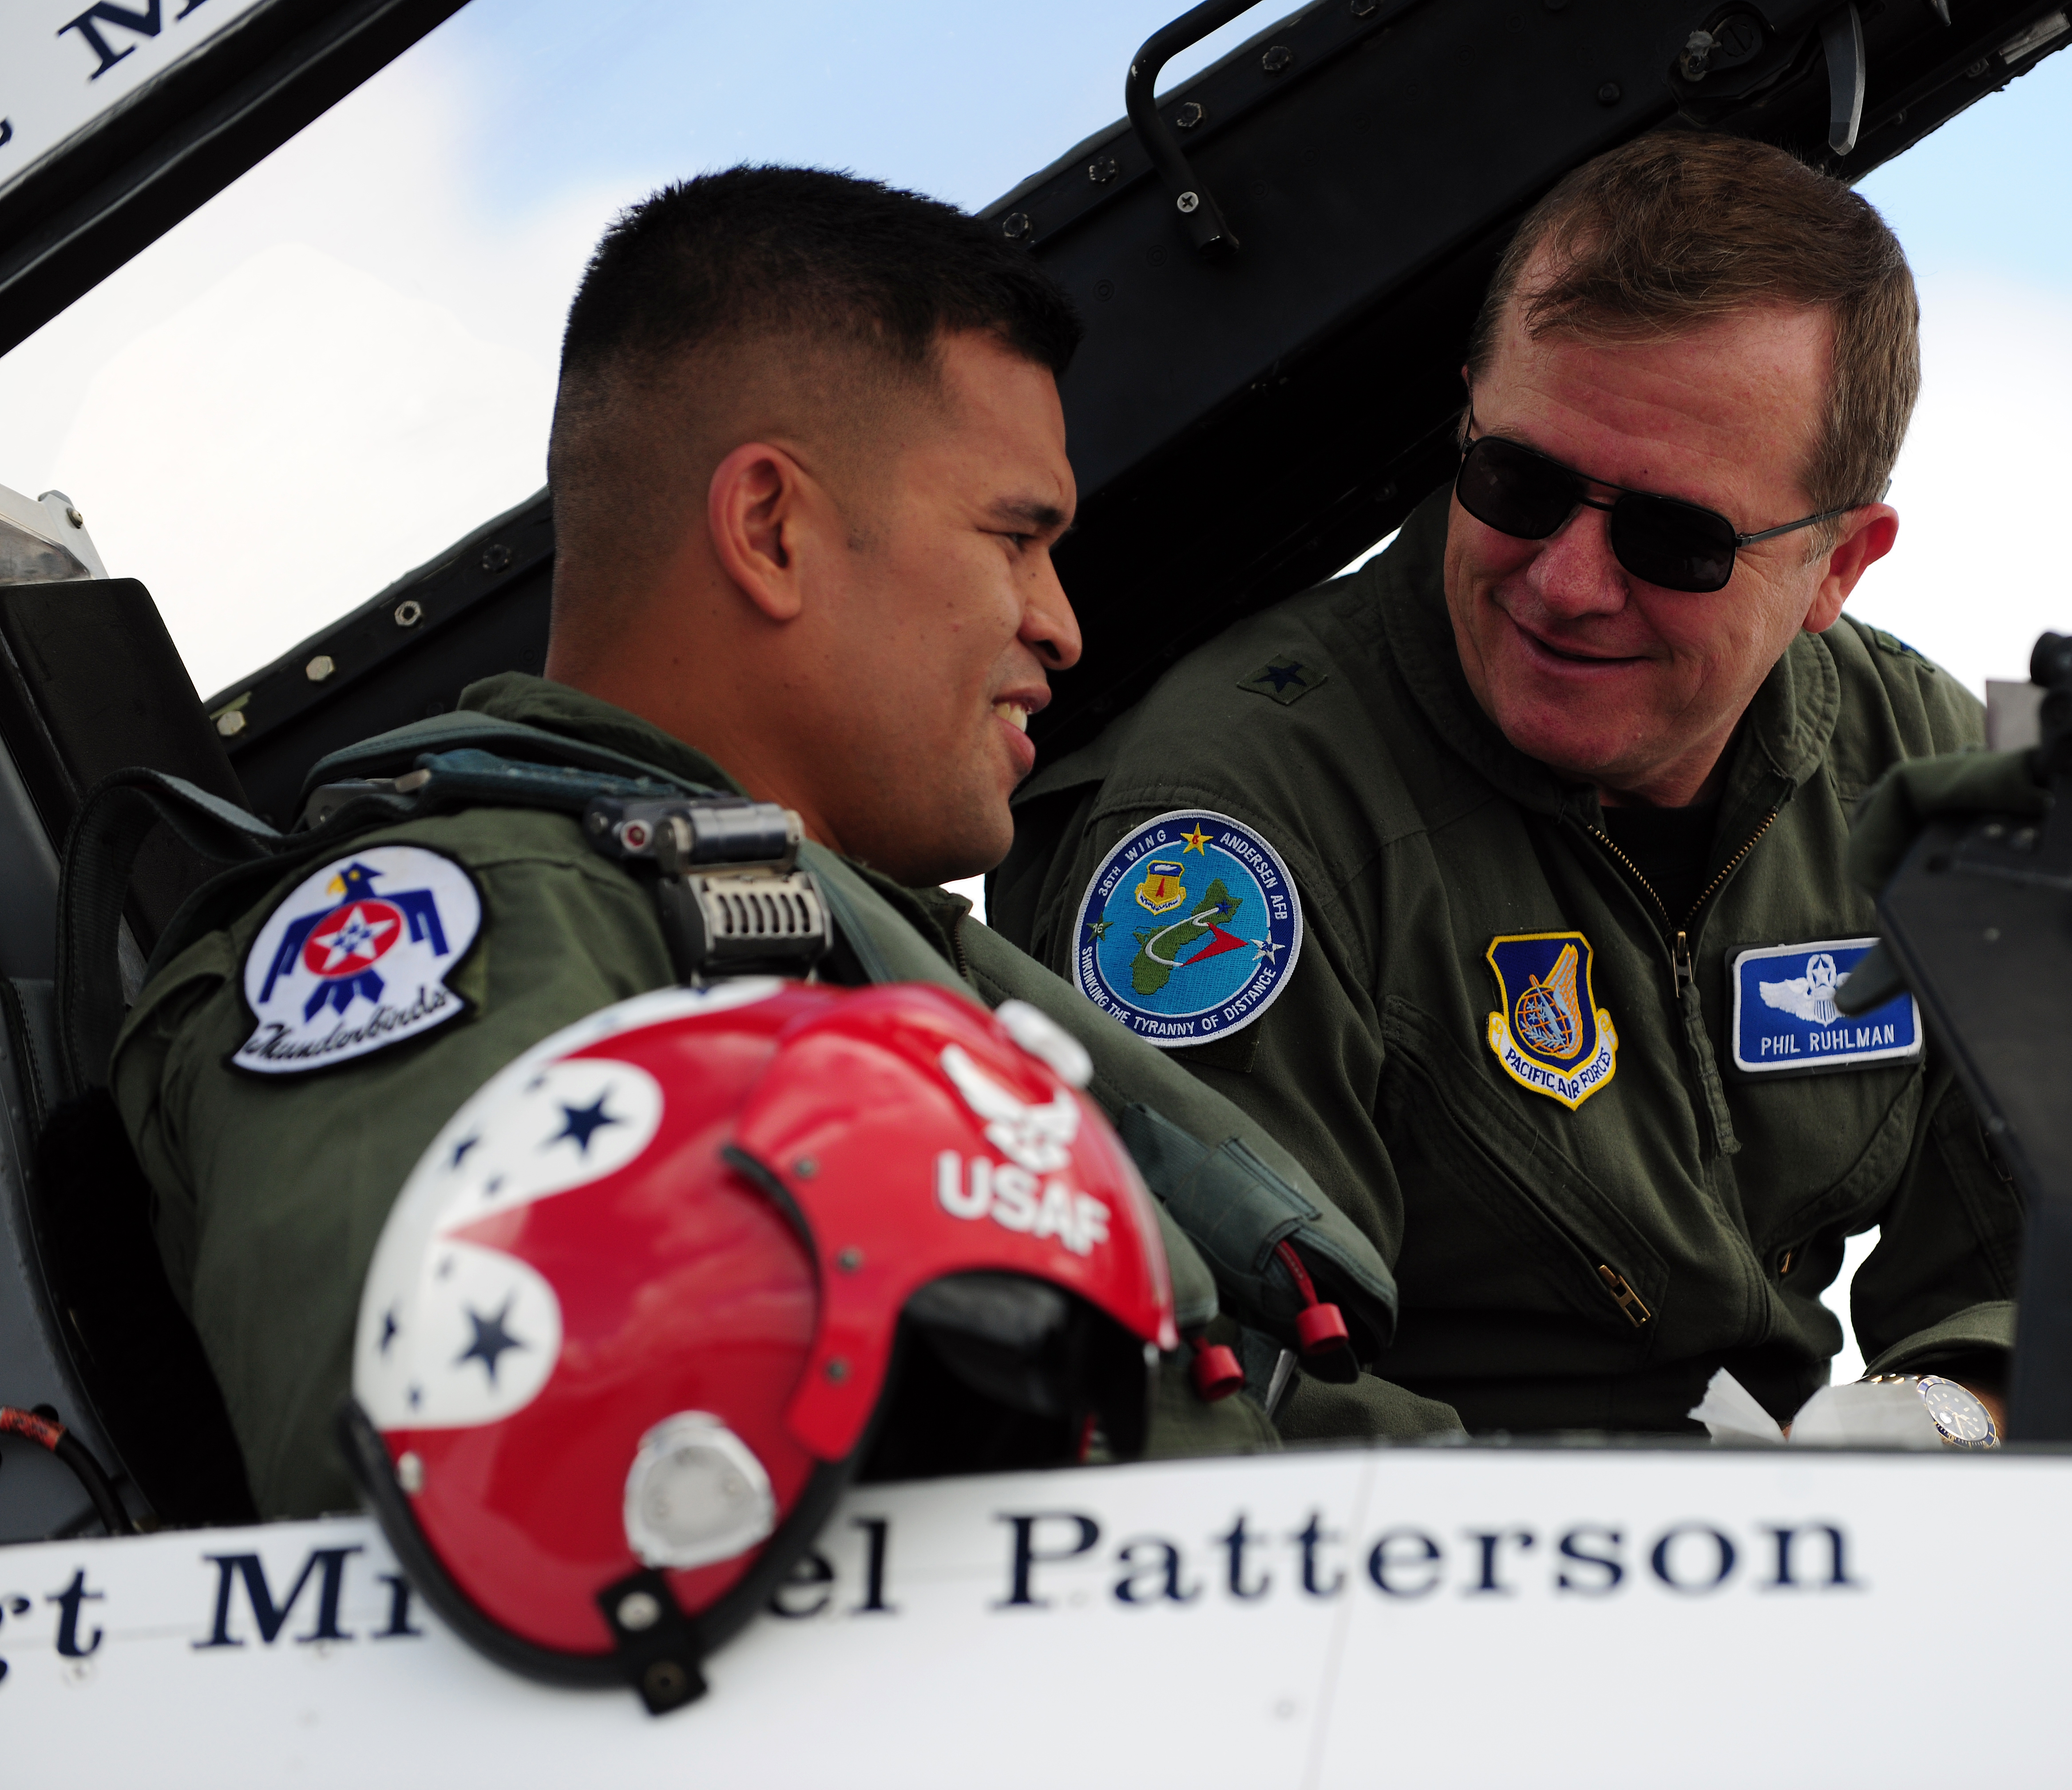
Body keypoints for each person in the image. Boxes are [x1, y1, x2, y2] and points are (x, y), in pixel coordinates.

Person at [112, 166, 1391, 1520]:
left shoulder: (825, 938)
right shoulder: (465, 930)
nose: (1061, 624)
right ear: (771, 529)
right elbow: (485, 1562)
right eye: (1016, 539)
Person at [995, 133, 2020, 1440]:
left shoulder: (1920, 777)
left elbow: (2059, 1258)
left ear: (1839, 566)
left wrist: (1952, 1413)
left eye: (1674, 537)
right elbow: (1223, 1396)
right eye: (1518, 483)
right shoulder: (1233, 831)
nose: (1568, 583)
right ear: (1465, 413)